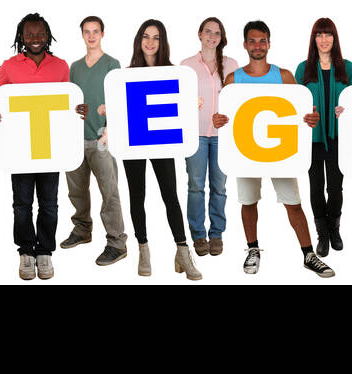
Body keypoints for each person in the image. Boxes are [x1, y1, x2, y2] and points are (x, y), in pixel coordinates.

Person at [212, 20, 335, 277]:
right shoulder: (234, 79)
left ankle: (308, 254)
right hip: (246, 151)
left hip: (279, 149)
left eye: (262, 40)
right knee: (248, 201)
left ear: (269, 43)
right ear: (245, 44)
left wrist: (310, 118)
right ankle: (253, 249)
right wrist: (218, 120)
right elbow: (225, 115)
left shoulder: (284, 76)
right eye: (253, 41)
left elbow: (301, 112)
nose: (258, 45)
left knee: (293, 202)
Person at [111, 19, 197, 279]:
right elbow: (119, 110)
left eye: (156, 37)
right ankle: (143, 249)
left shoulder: (173, 72)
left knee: (170, 195)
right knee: (137, 196)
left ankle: (183, 251)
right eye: (146, 37)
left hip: (161, 139)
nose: (150, 42)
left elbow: (181, 105)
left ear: (163, 42)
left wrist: (193, 101)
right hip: (134, 139)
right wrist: (109, 110)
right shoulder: (126, 74)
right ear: (139, 41)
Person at [0, 13, 74, 281]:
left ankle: (45, 251)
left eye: (40, 34)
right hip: (19, 147)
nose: (35, 39)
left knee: (50, 204)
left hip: (51, 146)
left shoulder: (61, 66)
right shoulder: (9, 65)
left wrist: (78, 109)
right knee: (22, 204)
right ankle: (26, 251)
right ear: (21, 37)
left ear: (48, 36)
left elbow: (67, 104)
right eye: (29, 35)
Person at [62, 16, 137, 274]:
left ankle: (117, 243)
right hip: (75, 139)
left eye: (95, 32)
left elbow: (121, 100)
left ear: (102, 34)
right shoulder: (74, 67)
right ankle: (82, 230)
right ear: (82, 35)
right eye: (87, 32)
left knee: (110, 193)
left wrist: (112, 130)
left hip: (102, 138)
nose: (91, 36)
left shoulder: (111, 64)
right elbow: (68, 101)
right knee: (77, 191)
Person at [296, 17, 352, 258]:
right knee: (316, 187)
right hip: (312, 138)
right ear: (314, 39)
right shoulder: (304, 68)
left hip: (339, 136)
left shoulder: (347, 67)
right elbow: (294, 105)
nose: (323, 39)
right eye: (319, 35)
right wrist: (305, 113)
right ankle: (321, 233)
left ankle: (334, 229)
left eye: (328, 34)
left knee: (336, 187)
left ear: (335, 38)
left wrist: (347, 109)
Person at [181, 17, 236, 258]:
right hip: (195, 135)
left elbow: (238, 100)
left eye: (217, 33)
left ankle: (216, 234)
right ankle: (198, 235)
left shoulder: (232, 64)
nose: (212, 36)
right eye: (208, 31)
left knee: (219, 187)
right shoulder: (186, 65)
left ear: (221, 38)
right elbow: (178, 99)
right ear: (199, 34)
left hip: (223, 136)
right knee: (195, 187)